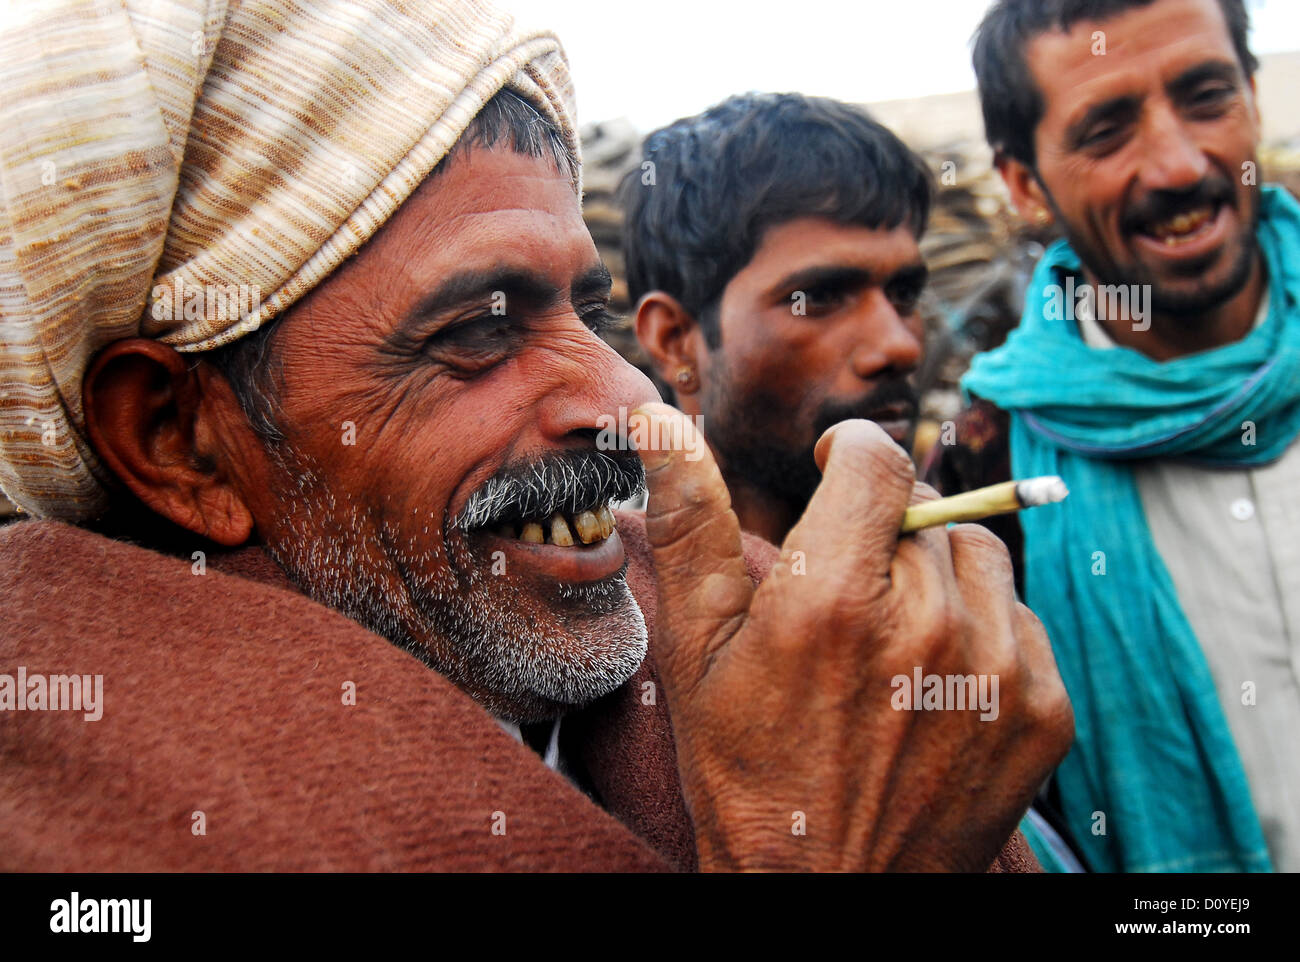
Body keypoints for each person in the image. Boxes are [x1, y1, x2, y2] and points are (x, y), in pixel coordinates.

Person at [0, 0, 1071, 871]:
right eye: (474, 331)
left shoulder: (764, 621)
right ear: (179, 441)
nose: (622, 395)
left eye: (586, 314)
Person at [928, 0, 1299, 872]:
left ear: (1252, 93)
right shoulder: (986, 472)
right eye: (1106, 129)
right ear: (1023, 185)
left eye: (1207, 97)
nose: (1176, 165)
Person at [622, 93, 930, 546]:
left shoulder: (964, 576)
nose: (901, 346)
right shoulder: (596, 606)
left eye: (903, 293)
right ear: (676, 341)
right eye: (819, 297)